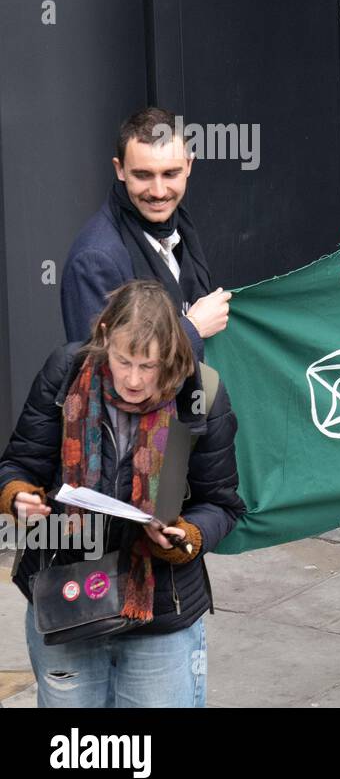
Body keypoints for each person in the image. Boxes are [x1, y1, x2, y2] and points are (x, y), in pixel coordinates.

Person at [0, 280, 244, 707]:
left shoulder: (200, 392)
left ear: (171, 354)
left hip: (160, 606)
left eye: (148, 367)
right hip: (67, 594)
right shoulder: (67, 371)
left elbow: (222, 503)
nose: (133, 379)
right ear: (105, 337)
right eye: (123, 361)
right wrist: (18, 496)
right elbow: (17, 465)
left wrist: (184, 537)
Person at [61, 106, 231, 358]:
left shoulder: (178, 222)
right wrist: (192, 329)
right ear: (120, 170)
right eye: (143, 175)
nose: (159, 191)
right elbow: (101, 371)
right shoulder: (95, 259)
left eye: (170, 173)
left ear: (188, 165)